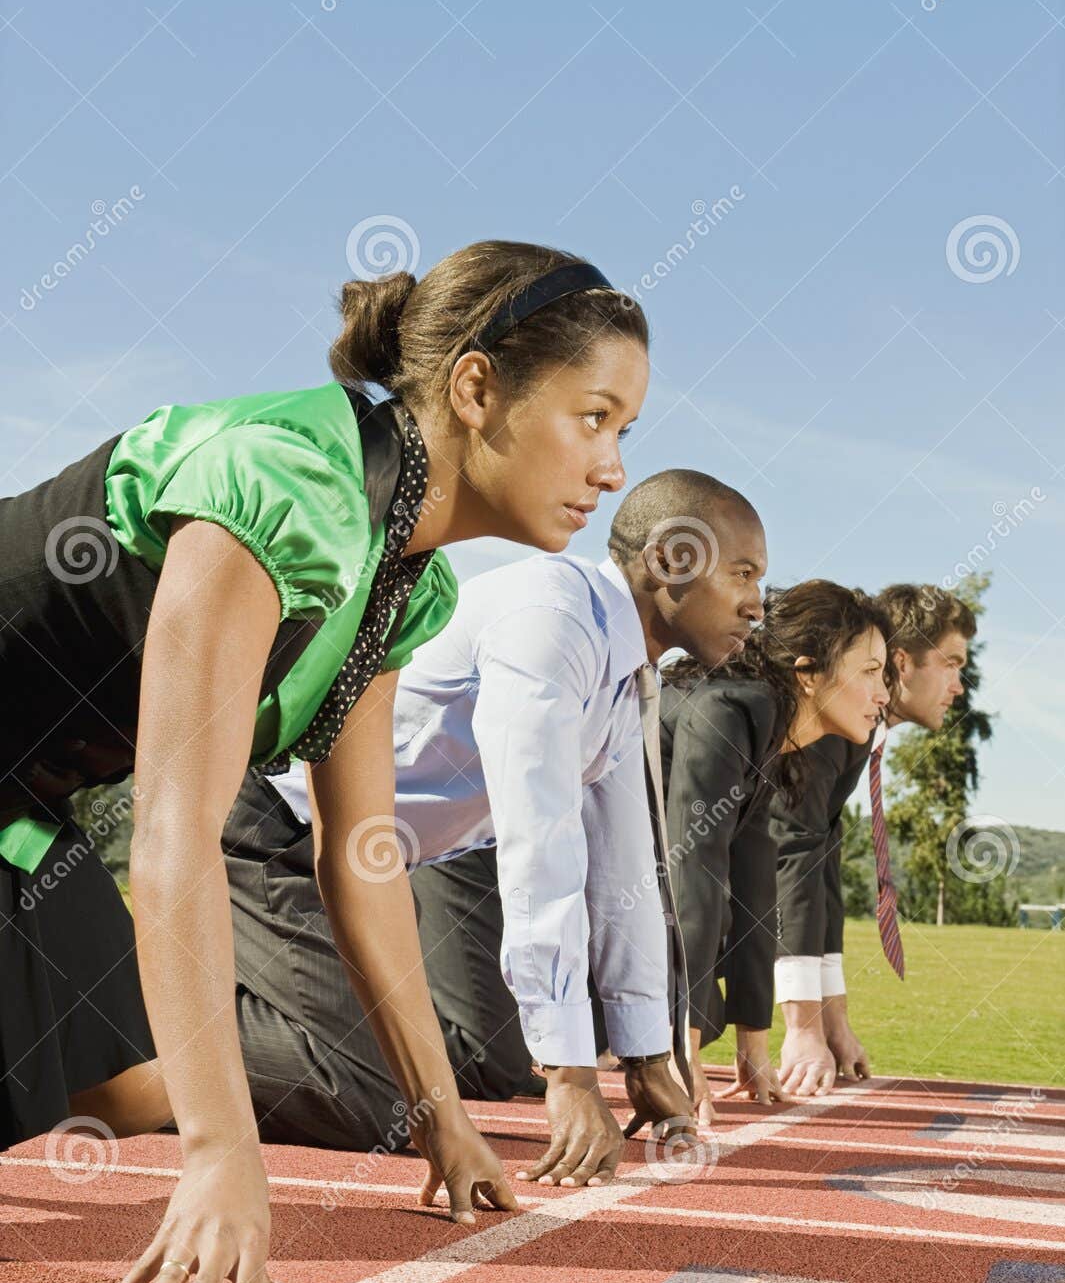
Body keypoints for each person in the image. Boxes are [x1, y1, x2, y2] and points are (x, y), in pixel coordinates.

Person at [0, 240, 649, 1283]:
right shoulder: (285, 480)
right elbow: (174, 838)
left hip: (25, 811)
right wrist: (218, 1152)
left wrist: (440, 1114)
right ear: (478, 388)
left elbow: (362, 861)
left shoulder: (404, 583)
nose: (615, 466)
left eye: (625, 430)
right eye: (595, 417)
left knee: (94, 1062)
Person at [226, 471, 767, 1184]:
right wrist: (570, 1074)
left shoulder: (627, 672)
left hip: (368, 865)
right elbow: (539, 842)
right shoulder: (552, 620)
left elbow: (621, 866)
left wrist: (643, 1056)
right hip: (276, 831)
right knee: (387, 1098)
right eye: (744, 573)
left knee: (479, 1061)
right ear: (671, 559)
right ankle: (140, 1031)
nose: (756, 605)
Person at [661, 582, 894, 1122]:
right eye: (868, 672)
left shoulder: (774, 737)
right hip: (481, 857)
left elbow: (753, 880)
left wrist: (754, 1046)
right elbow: (693, 872)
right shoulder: (727, 711)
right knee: (492, 1062)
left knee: (709, 1010)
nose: (883, 694)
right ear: (809, 674)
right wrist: (685, 1053)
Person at [769, 583, 975, 1095]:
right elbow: (790, 853)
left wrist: (834, 1023)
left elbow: (821, 867)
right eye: (950, 663)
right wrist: (802, 1029)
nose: (959, 686)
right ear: (902, 663)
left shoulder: (857, 729)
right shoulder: (833, 718)